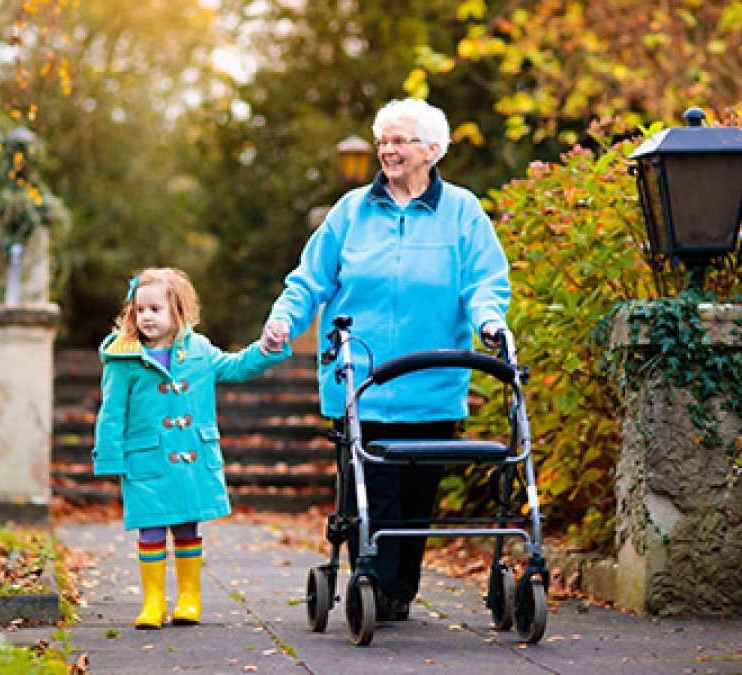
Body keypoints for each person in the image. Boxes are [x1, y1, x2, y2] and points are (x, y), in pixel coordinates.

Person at [261, 98, 509, 621]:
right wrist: (284, 319)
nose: (388, 150)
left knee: (416, 499)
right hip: (359, 380)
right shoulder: (350, 211)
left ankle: (397, 590)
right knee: (369, 488)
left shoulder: (462, 211)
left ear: (433, 150)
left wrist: (489, 320)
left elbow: (485, 280)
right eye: (383, 141)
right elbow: (309, 279)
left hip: (433, 381)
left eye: (400, 141)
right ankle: (373, 581)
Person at [93, 267, 290, 629]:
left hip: (190, 459)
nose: (146, 317)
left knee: (187, 527)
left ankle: (189, 597)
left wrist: (265, 349)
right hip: (145, 460)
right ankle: (153, 601)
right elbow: (111, 411)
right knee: (150, 529)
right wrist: (109, 457)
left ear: (178, 311)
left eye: (156, 309)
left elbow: (235, 367)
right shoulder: (123, 359)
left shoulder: (198, 350)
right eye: (140, 310)